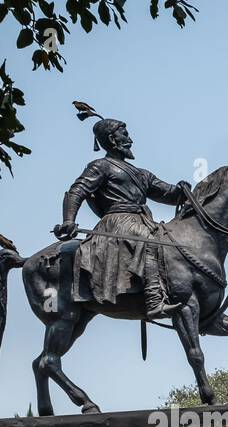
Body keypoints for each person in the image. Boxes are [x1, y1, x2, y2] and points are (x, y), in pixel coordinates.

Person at [56, 112, 189, 320]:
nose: (130, 139)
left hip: (141, 219)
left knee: (168, 240)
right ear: (112, 139)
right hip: (117, 221)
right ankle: (154, 300)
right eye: (125, 134)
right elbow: (77, 191)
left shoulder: (142, 174)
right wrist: (68, 220)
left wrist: (181, 190)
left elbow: (167, 193)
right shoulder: (100, 166)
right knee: (149, 240)